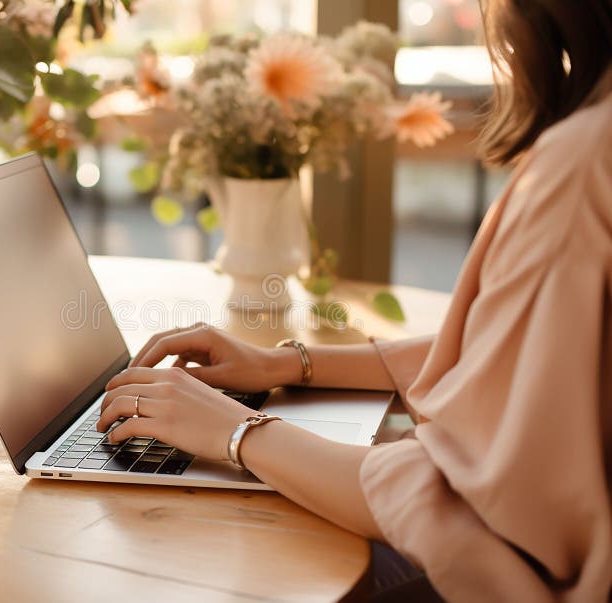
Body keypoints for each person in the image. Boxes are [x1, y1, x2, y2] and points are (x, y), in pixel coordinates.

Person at [96, 2, 612, 600]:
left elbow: (466, 505)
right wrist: (291, 364)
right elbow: (523, 364)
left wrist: (238, 433)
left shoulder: (581, 164)